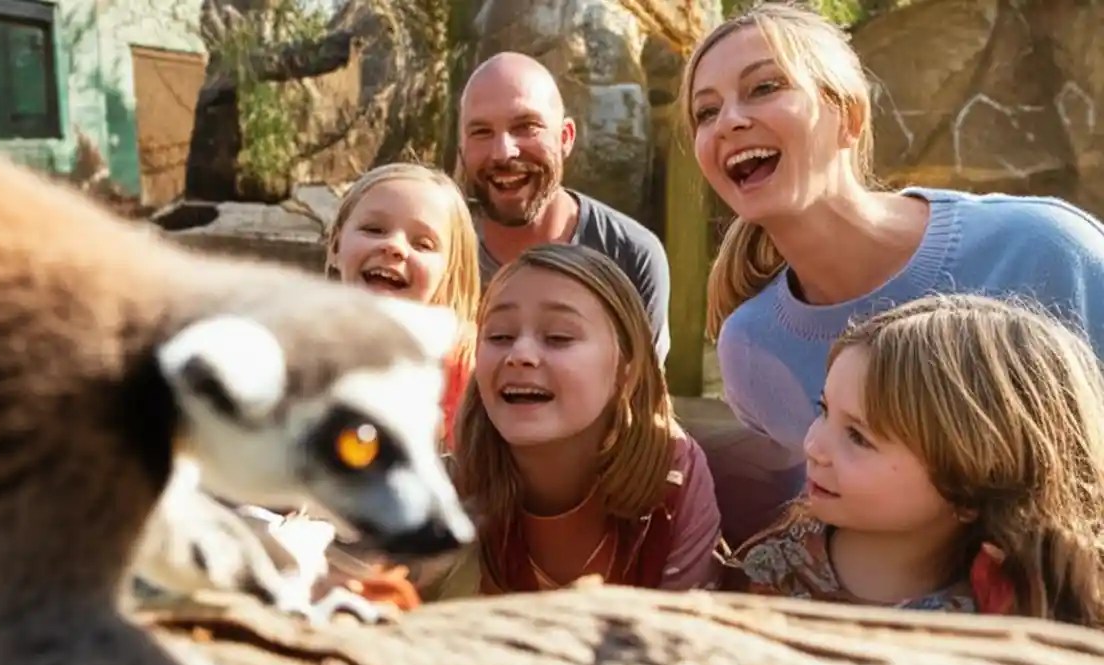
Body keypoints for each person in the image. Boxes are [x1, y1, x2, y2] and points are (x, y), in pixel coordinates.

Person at [679, 3, 1104, 544]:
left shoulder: (1050, 247)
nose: (730, 121)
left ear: (849, 118)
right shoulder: (751, 350)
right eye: (705, 112)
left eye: (764, 88)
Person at [723, 294, 1104, 628]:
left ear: (975, 483)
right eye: (823, 410)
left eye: (858, 436)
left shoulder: (1036, 607)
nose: (812, 445)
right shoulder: (766, 573)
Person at [428, 244, 721, 598]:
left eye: (558, 338)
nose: (519, 355)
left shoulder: (673, 479)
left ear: (625, 370)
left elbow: (685, 636)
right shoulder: (448, 489)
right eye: (499, 336)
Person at [457, 51, 673, 363]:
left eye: (526, 127)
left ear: (566, 137)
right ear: (462, 146)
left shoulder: (628, 255)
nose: (503, 152)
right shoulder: (434, 251)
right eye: (481, 132)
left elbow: (644, 404)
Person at [325, 162, 481, 450]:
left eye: (423, 244)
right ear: (335, 245)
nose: (394, 247)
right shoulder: (298, 345)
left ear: (450, 270)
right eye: (374, 229)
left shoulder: (470, 366)